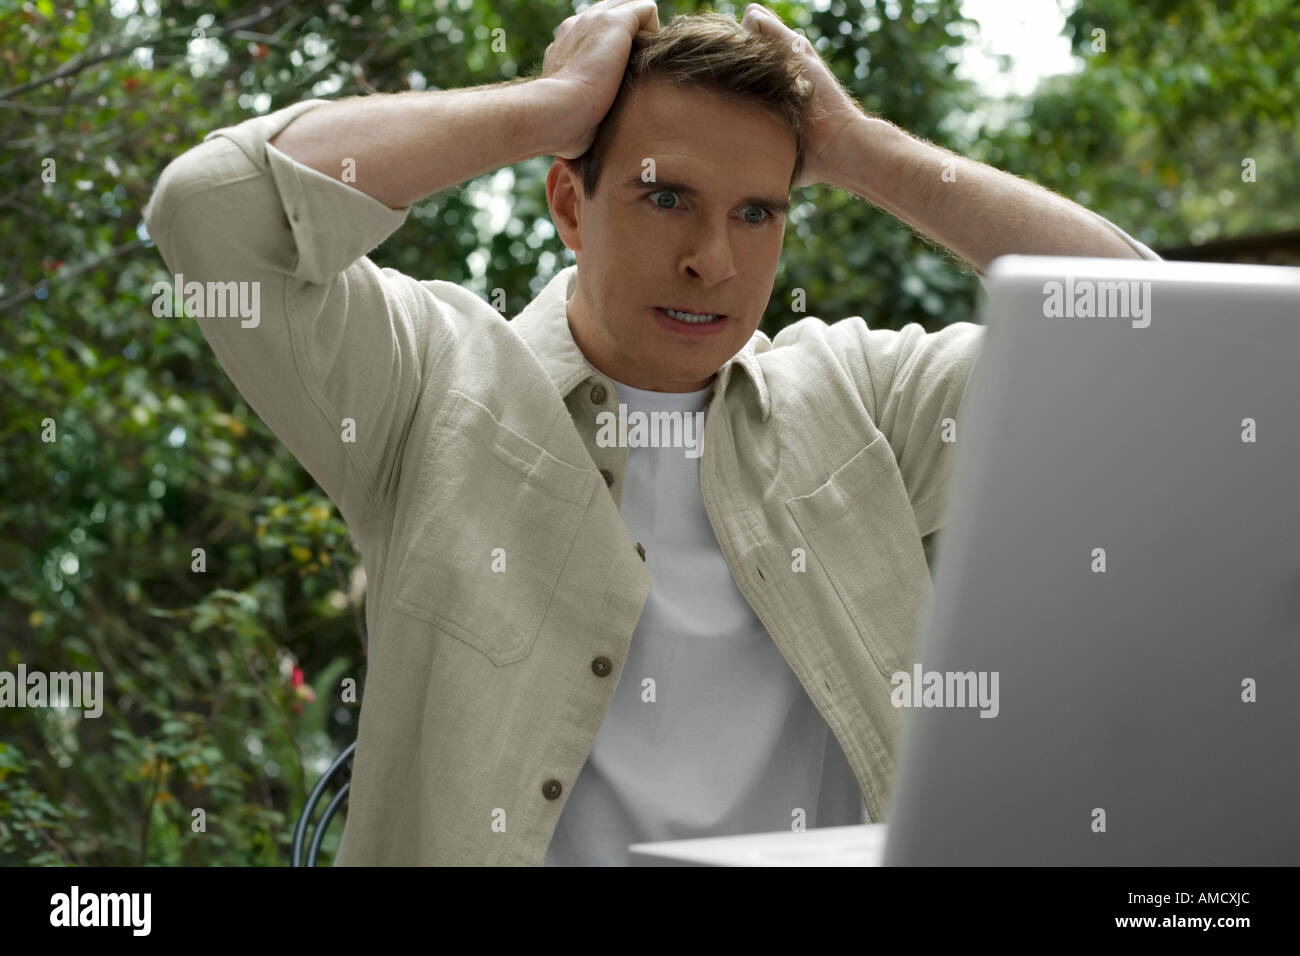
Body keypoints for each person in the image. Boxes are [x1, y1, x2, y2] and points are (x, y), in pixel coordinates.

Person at [144, 1, 1159, 865]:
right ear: (570, 205)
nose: (712, 260)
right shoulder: (427, 382)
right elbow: (210, 209)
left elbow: (1146, 338)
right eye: (665, 196)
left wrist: (858, 148)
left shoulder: (861, 399)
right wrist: (550, 108)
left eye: (758, 212)